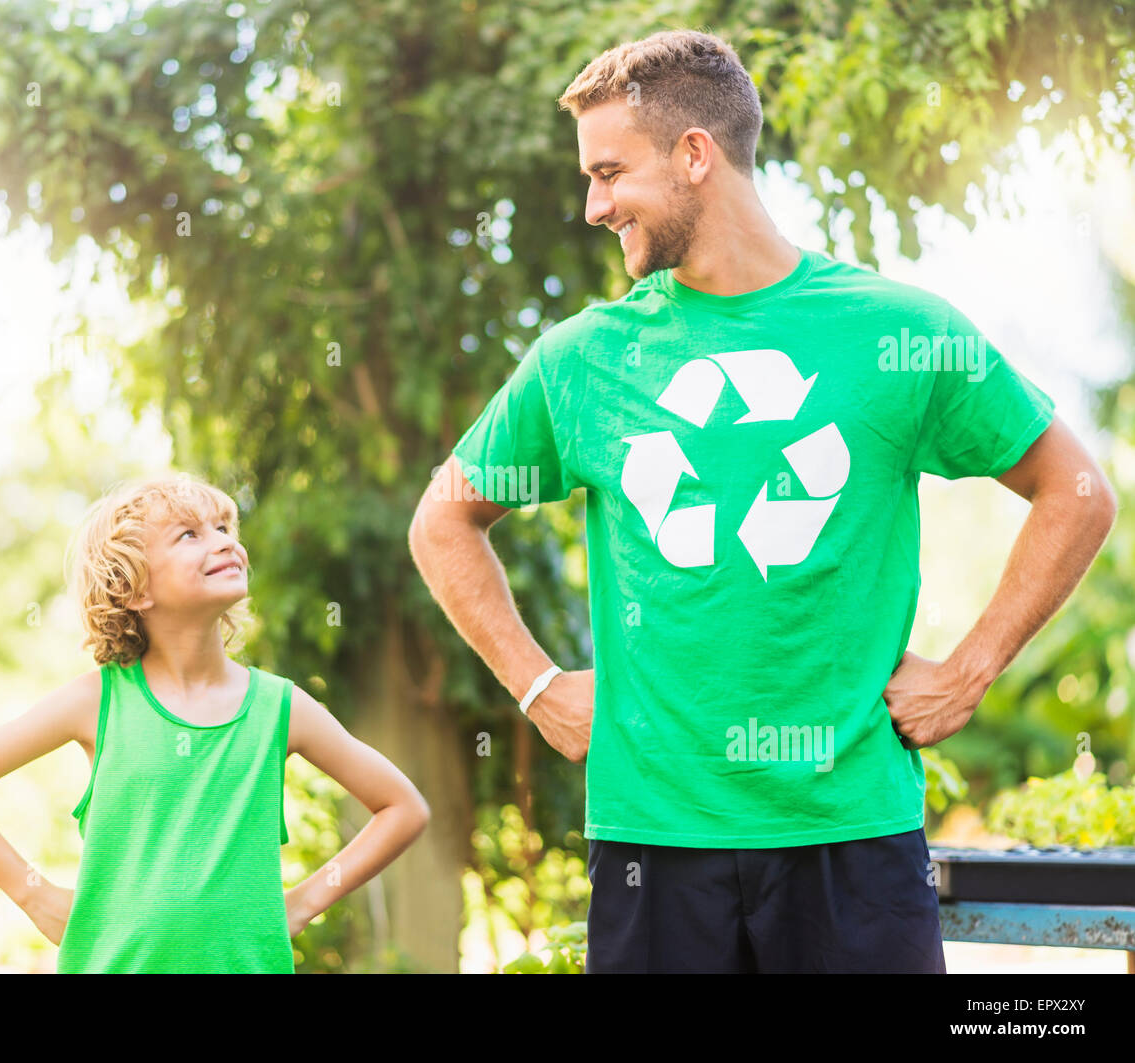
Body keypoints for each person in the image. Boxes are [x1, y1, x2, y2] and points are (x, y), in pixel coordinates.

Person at [408, 29, 1117, 973]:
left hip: (850, 833)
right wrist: (539, 687)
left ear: (695, 154)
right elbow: (442, 520)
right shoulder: (581, 359)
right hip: (655, 838)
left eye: (611, 172)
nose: (593, 205)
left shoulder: (898, 332)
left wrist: (971, 669)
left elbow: (1076, 491)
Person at [0, 474, 429, 973]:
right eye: (190, 534)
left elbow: (403, 808)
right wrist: (36, 897)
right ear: (136, 590)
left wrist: (300, 904)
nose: (225, 543)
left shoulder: (281, 707)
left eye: (225, 529)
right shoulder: (97, 701)